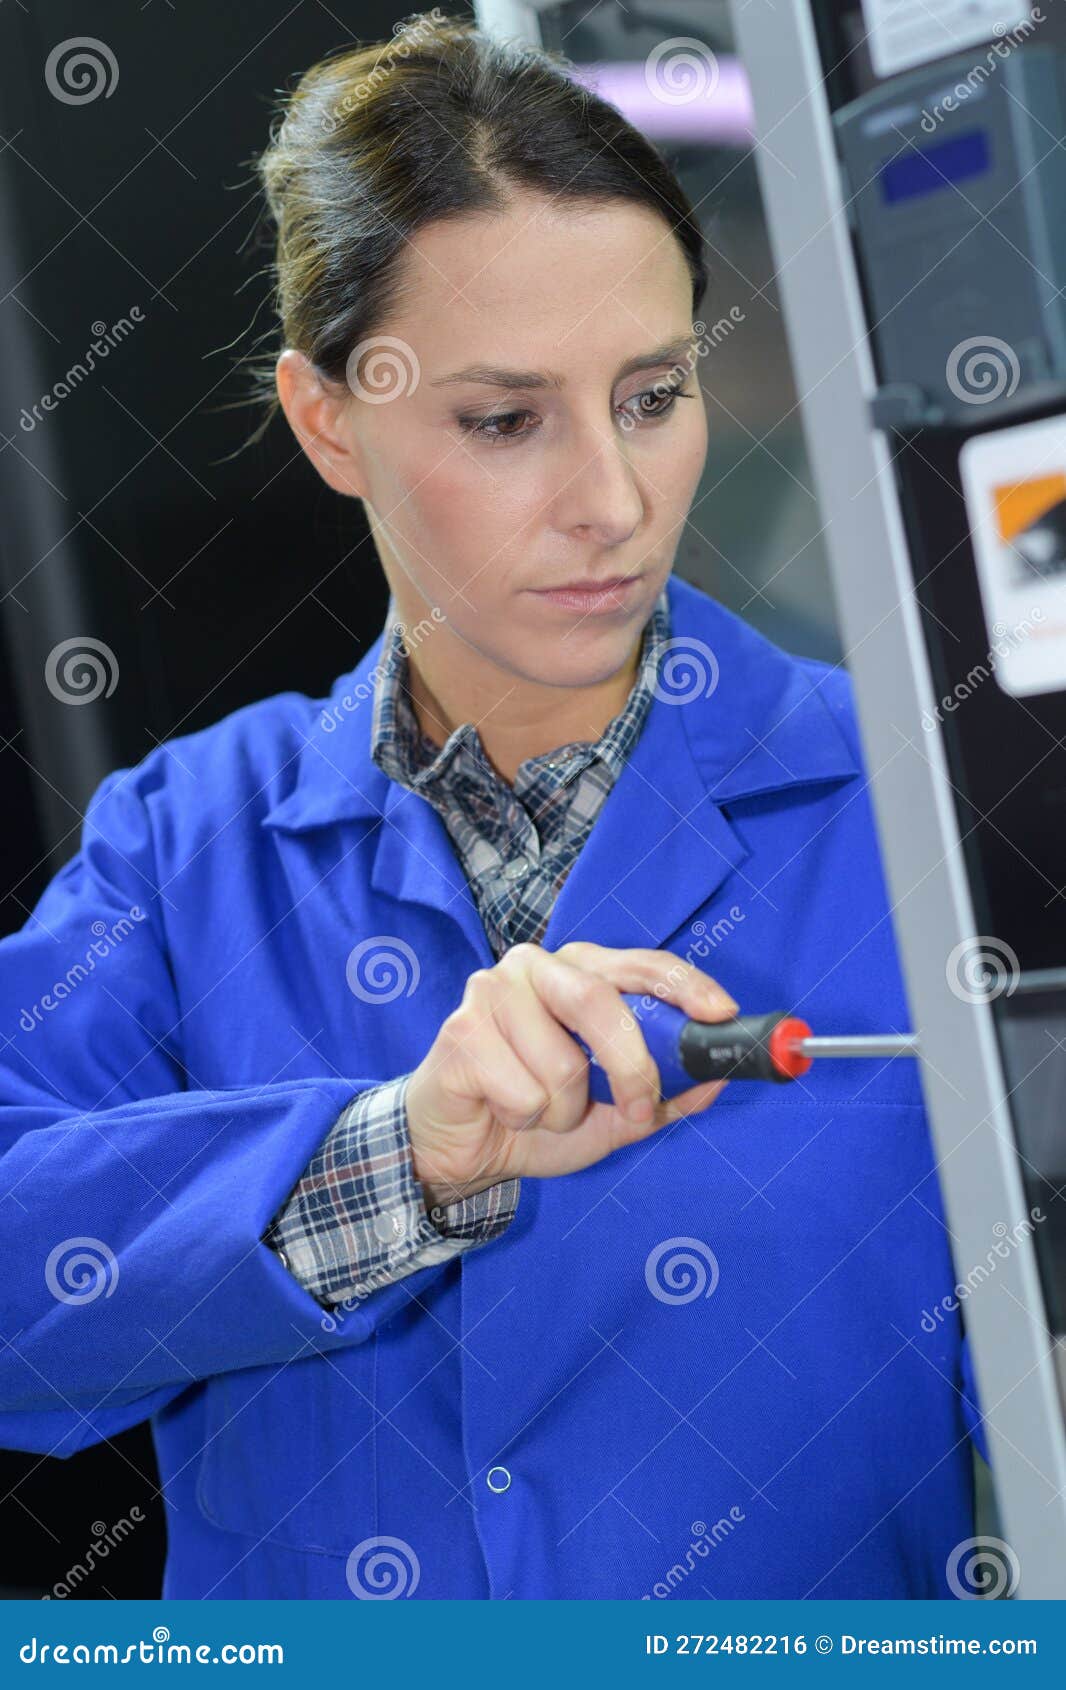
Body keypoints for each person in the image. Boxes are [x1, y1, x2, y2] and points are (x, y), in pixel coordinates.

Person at [0, 16, 982, 1600]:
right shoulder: (180, 847)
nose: (609, 496)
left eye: (652, 394)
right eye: (505, 419)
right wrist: (400, 1158)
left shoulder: (921, 798)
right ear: (330, 419)